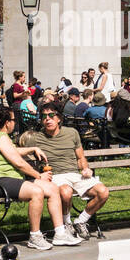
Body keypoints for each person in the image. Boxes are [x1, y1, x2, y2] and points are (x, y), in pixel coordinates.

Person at [0, 105, 78, 250]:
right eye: (13, 120)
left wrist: (33, 148)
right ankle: (35, 236)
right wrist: (39, 176)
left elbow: (13, 151)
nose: (14, 122)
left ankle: (60, 233)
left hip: (10, 180)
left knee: (52, 188)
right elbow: (19, 163)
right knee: (36, 192)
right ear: (7, 122)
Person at [19, 103, 110, 240]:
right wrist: (37, 173)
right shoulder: (37, 138)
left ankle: (80, 221)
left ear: (59, 118)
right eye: (44, 116)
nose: (47, 119)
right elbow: (17, 150)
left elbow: (81, 157)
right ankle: (67, 223)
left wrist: (85, 168)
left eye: (51, 115)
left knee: (103, 192)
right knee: (66, 192)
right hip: (56, 176)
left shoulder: (72, 133)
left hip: (75, 174)